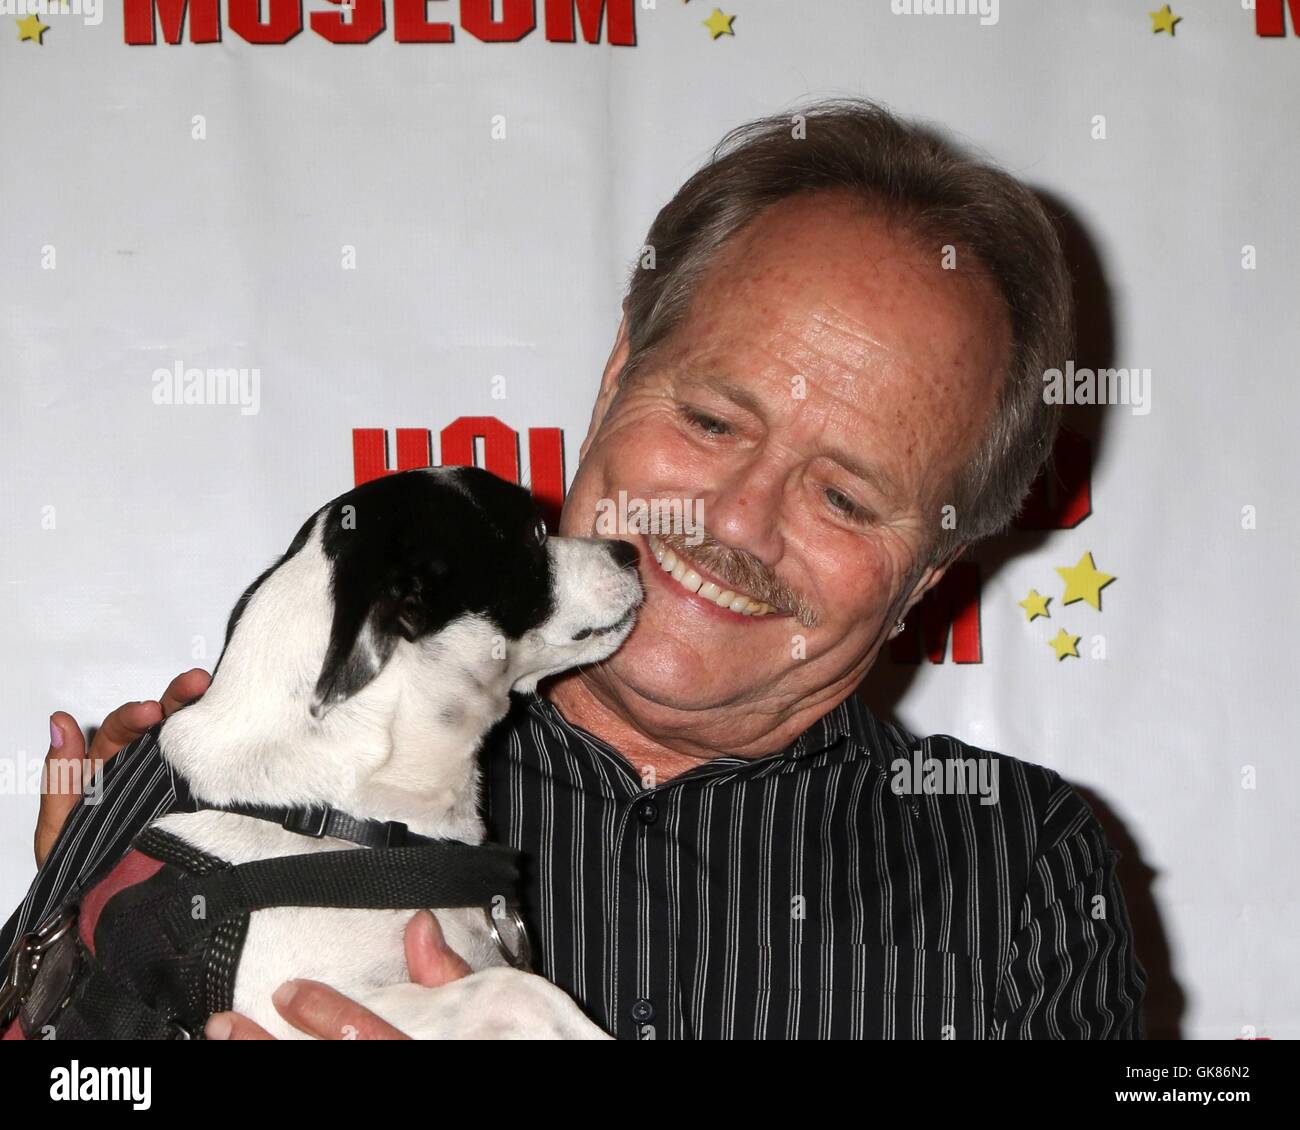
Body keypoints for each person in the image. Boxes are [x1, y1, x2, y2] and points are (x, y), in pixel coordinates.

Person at [2, 98, 1146, 1040]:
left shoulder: (1015, 865)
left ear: (931, 566)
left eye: (843, 495)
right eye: (707, 419)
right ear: (613, 382)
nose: (735, 520)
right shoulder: (223, 774)